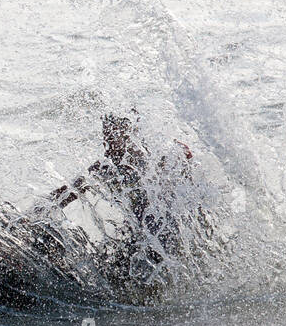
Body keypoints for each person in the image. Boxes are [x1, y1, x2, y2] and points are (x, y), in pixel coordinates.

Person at [39, 112, 205, 283]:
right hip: (138, 238)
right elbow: (71, 190)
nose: (107, 146)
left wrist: (177, 154)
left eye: (112, 138)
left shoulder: (155, 159)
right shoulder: (106, 167)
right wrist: (41, 209)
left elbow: (185, 156)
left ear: (129, 135)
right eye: (105, 138)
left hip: (169, 235)